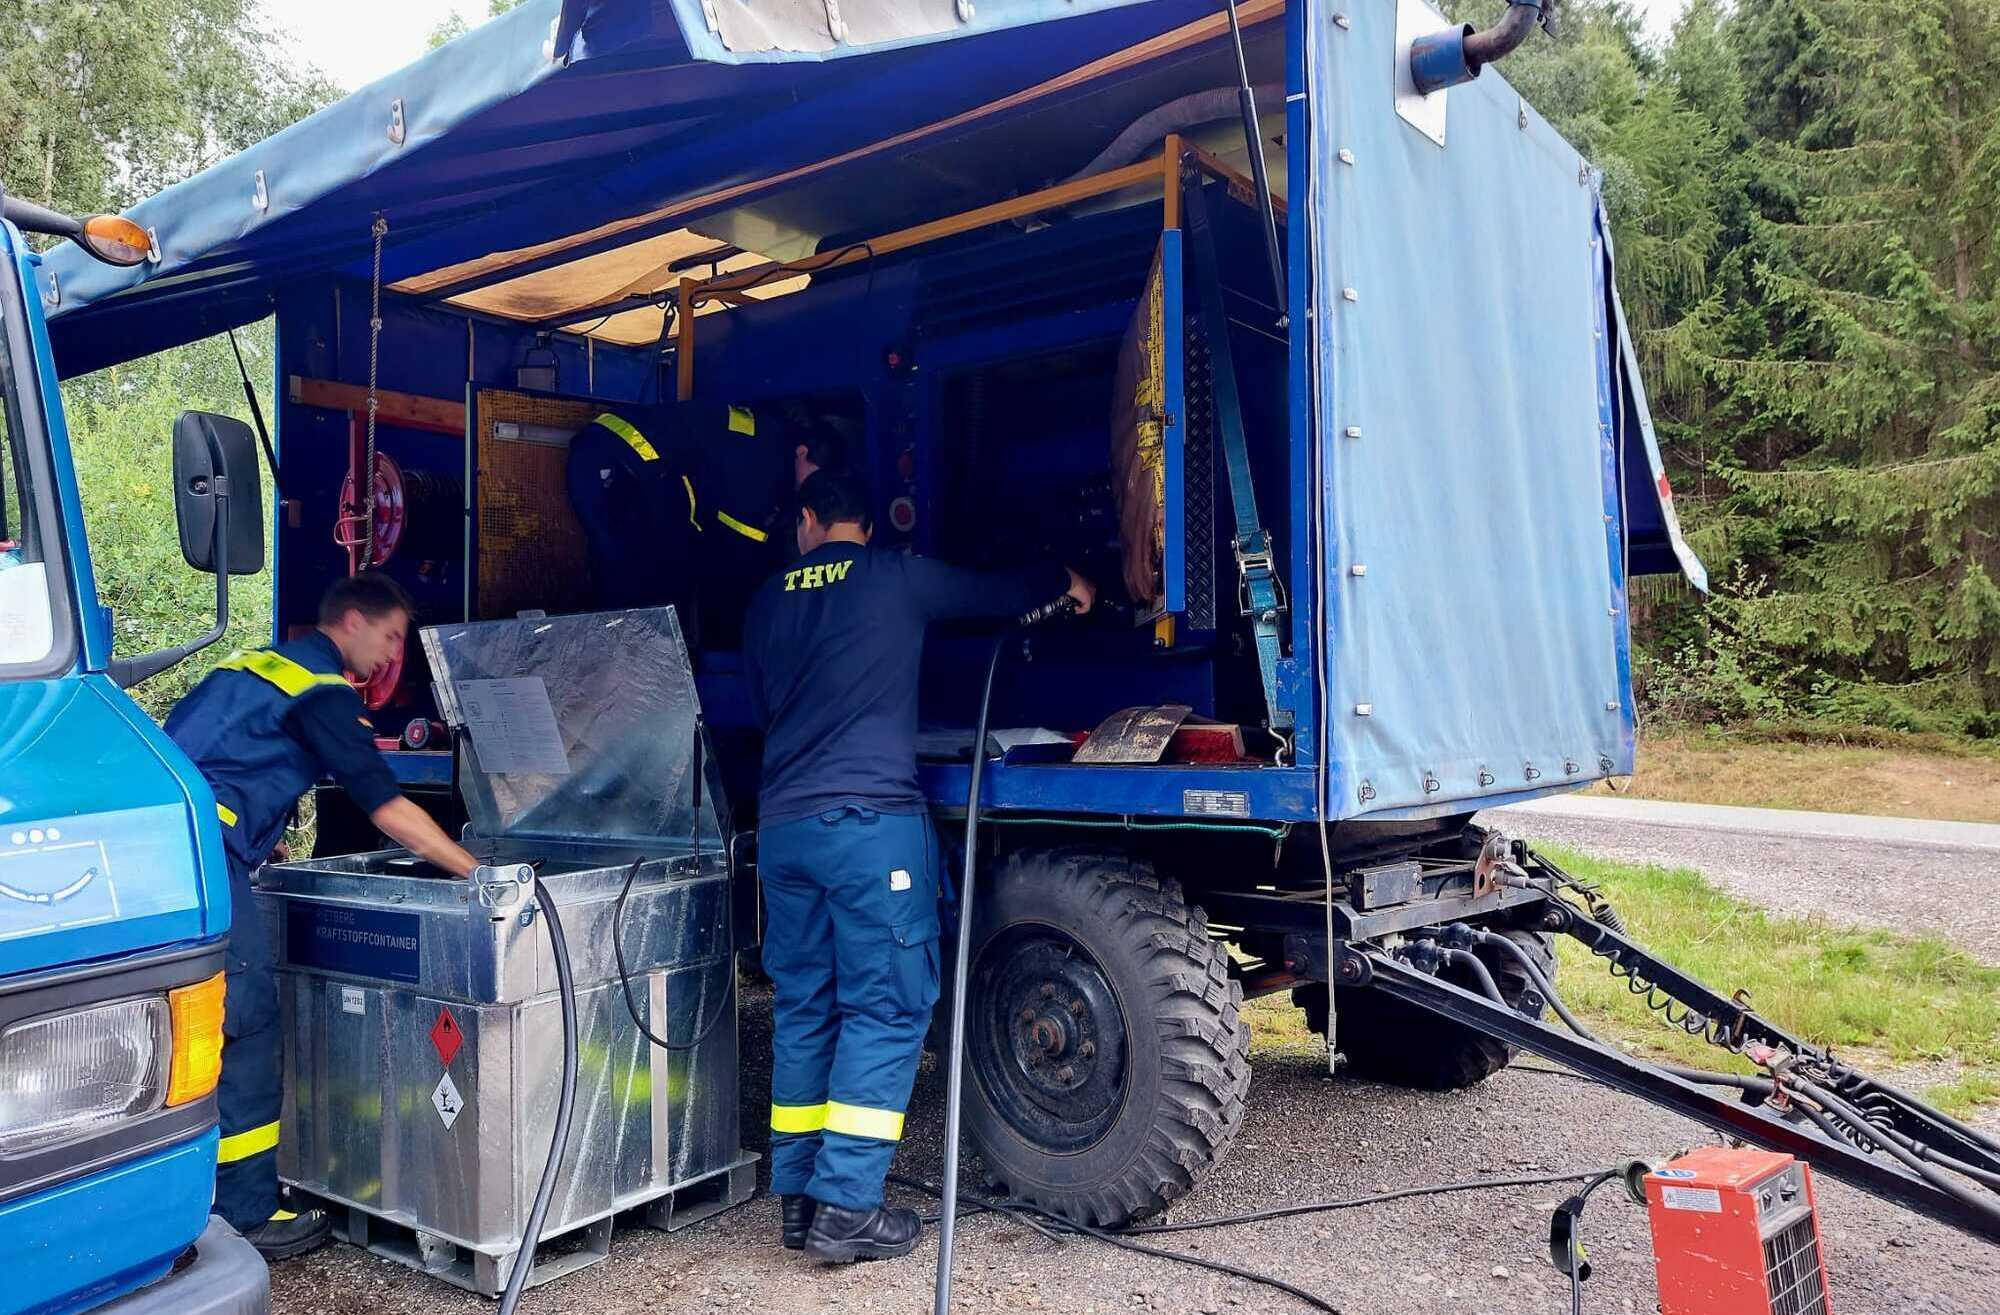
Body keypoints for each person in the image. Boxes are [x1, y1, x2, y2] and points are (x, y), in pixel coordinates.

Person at [742, 470, 1094, 1262]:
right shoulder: (895, 575)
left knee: (806, 1004)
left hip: (787, 828)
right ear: (866, 526)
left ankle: (799, 1199)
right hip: (867, 826)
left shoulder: (767, 599)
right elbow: (991, 591)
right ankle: (847, 1208)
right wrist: (1064, 580)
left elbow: (767, 706)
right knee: (887, 1006)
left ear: (806, 520)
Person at [163, 572, 485, 1260]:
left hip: (169, 842)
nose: (392, 654)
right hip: (203, 856)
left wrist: (256, 826)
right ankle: (246, 1214)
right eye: (391, 635)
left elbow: (214, 748)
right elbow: (385, 805)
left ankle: (185, 1188)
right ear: (353, 623)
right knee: (247, 1021)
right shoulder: (324, 689)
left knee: (190, 1020)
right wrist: (477, 872)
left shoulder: (256, 663)